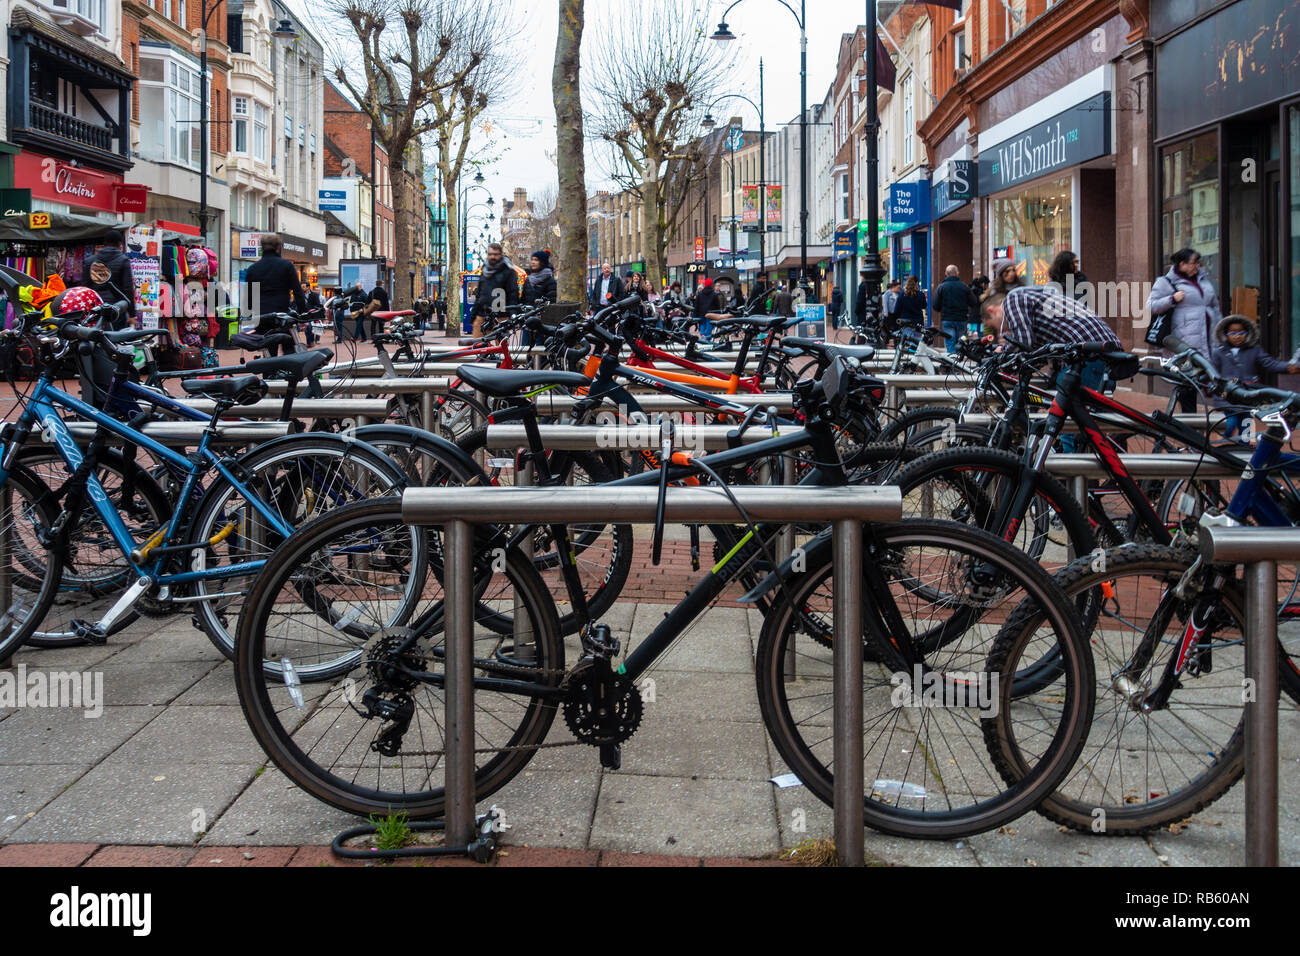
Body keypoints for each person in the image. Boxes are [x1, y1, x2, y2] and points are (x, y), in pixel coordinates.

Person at [1147, 247, 1222, 413]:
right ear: (1182, 264)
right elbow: (1151, 306)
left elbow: (1214, 306)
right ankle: (1190, 423)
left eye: (1198, 262)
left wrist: (1220, 328)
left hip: (1207, 339)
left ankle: (1197, 424)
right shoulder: (1166, 282)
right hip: (1184, 343)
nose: (1197, 266)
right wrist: (1172, 299)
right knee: (1188, 385)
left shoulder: (1203, 279)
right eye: (1193, 263)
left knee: (1205, 380)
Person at [1210, 315, 1298, 438]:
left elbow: (1270, 363)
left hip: (1248, 395)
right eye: (1233, 333)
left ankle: (1244, 448)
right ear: (1226, 334)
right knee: (1230, 423)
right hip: (1228, 396)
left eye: (1241, 333)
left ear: (1247, 333)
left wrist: (1287, 367)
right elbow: (1211, 371)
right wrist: (1212, 386)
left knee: (1246, 425)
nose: (1237, 336)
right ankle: (1220, 444)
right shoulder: (1219, 352)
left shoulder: (1254, 350)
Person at [243, 234, 307, 355]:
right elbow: (298, 292)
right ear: (278, 247)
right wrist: (303, 314)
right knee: (289, 349)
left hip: (262, 317)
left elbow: (248, 297)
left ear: (261, 247)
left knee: (269, 352)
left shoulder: (253, 268)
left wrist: (249, 316)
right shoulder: (286, 266)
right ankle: (289, 372)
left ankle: (269, 372)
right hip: (282, 316)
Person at [84, 231, 135, 324]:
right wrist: (132, 314)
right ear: (120, 244)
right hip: (117, 309)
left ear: (105, 243)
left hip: (95, 309)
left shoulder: (89, 261)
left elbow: (84, 288)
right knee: (116, 337)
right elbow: (128, 289)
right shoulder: (123, 261)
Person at [471, 242, 519, 336]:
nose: (492, 257)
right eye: (490, 254)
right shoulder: (484, 270)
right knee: (478, 345)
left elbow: (513, 294)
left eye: (496, 254)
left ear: (501, 254)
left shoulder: (509, 271)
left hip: (501, 315)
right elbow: (479, 294)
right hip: (483, 314)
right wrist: (473, 315)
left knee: (501, 347)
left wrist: (513, 315)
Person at [932, 265, 978, 352]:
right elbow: (974, 302)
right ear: (957, 274)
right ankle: (959, 362)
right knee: (961, 344)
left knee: (950, 342)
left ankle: (952, 361)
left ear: (946, 274)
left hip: (947, 319)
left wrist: (942, 309)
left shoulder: (941, 287)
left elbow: (935, 305)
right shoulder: (964, 286)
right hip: (961, 319)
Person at [299, 282, 323, 346]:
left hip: (312, 314)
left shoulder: (314, 295)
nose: (302, 288)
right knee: (307, 329)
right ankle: (310, 342)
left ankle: (311, 342)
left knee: (310, 328)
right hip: (304, 315)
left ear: (308, 287)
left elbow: (318, 304)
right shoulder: (300, 295)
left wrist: (314, 309)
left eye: (303, 287)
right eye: (301, 287)